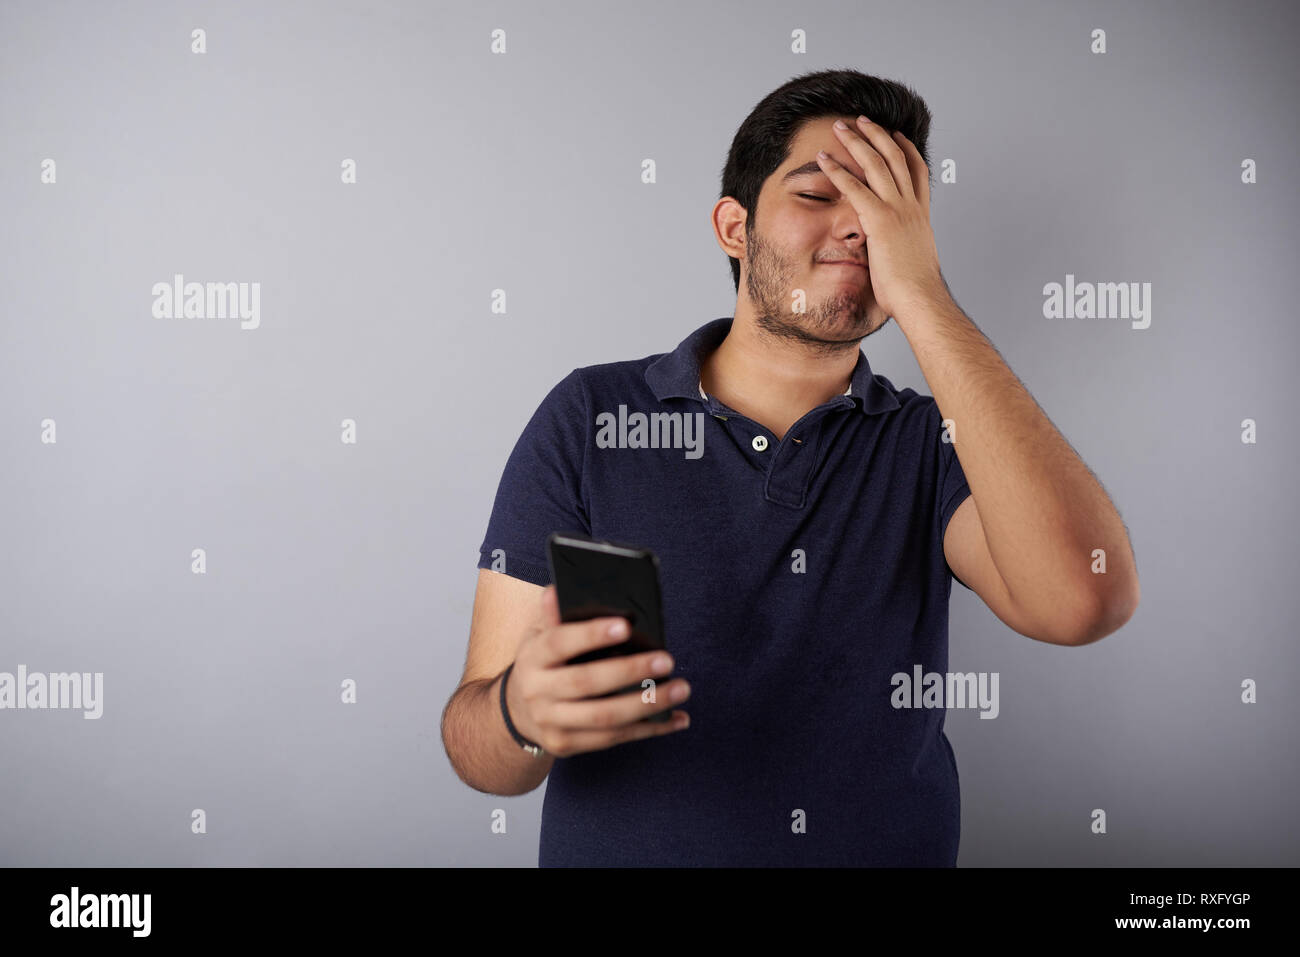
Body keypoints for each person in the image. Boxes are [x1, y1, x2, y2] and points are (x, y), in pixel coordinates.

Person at [441, 68, 1140, 866]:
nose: (858, 229)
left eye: (888, 211)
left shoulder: (932, 440)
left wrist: (924, 293)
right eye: (819, 195)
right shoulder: (591, 414)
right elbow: (476, 749)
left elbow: (1084, 598)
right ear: (733, 228)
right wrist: (520, 714)